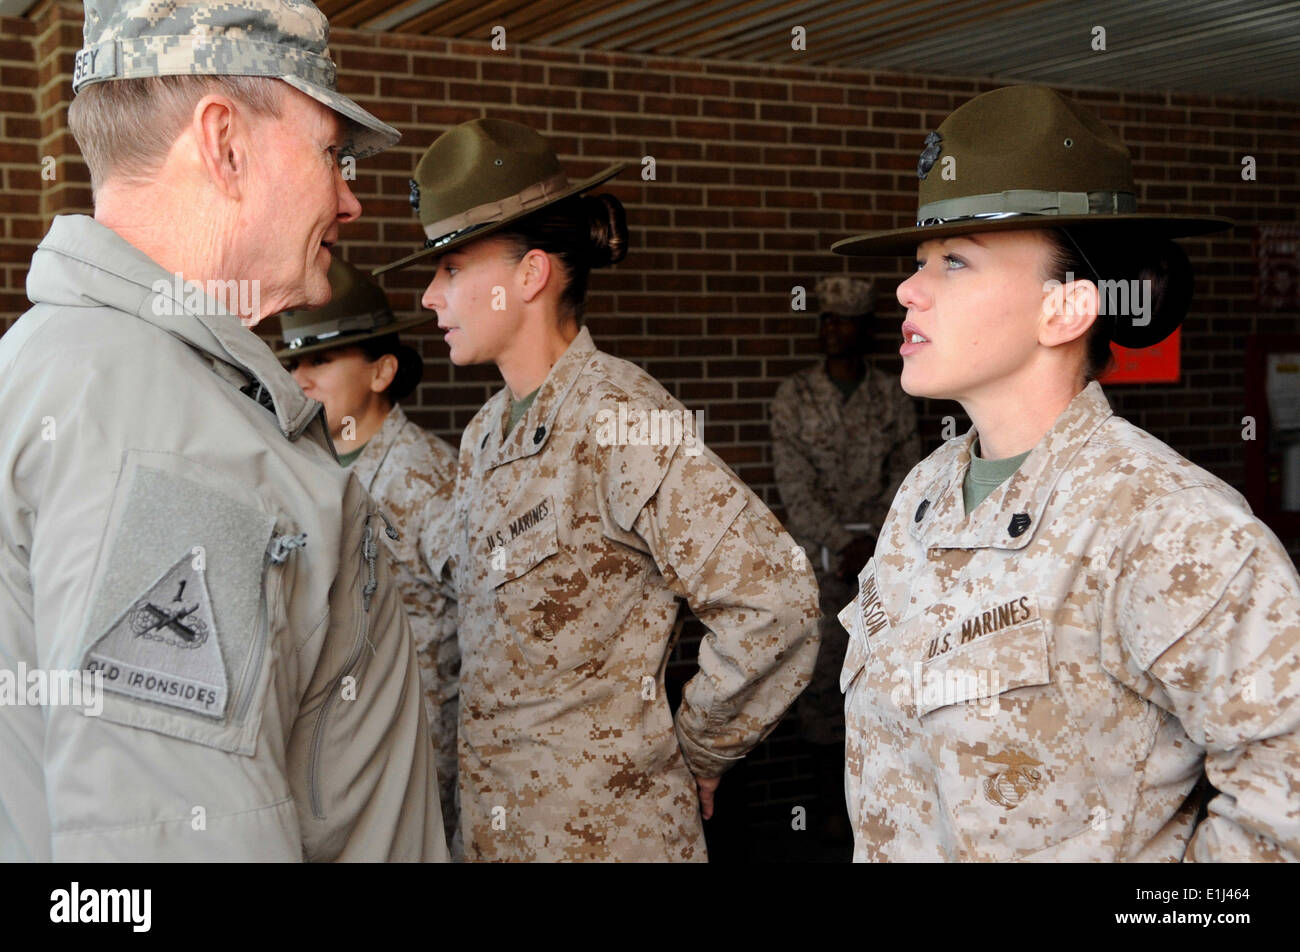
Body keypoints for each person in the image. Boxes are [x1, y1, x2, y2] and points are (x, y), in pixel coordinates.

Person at [0, 0, 445, 861]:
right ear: (225, 143)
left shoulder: (55, 365)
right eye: (331, 154)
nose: (350, 200)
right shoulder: (171, 435)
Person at [831, 83, 1300, 862]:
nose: (909, 290)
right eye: (920, 261)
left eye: (955, 261)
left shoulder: (1169, 523)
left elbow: (1286, 795)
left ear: (1066, 309)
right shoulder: (925, 494)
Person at [375, 117, 821, 862]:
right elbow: (465, 573)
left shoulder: (620, 418)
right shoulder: (488, 432)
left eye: (451, 268)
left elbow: (774, 602)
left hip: (610, 836)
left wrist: (699, 749)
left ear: (530, 274)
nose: (428, 296)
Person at [278, 257, 462, 856]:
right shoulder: (315, 475)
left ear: (382, 371)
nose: (301, 377)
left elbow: (497, 620)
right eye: (296, 361)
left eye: (323, 359)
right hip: (341, 767)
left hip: (422, 768)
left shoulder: (428, 478)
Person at [770, 275, 920, 842]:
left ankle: (881, 802)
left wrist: (872, 543)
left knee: (883, 678)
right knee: (822, 684)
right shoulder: (794, 397)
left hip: (885, 559)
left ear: (866, 330)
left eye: (845, 321)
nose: (833, 330)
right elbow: (793, 485)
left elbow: (908, 472)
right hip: (821, 561)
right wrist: (838, 542)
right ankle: (825, 808)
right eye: (826, 320)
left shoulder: (893, 394)